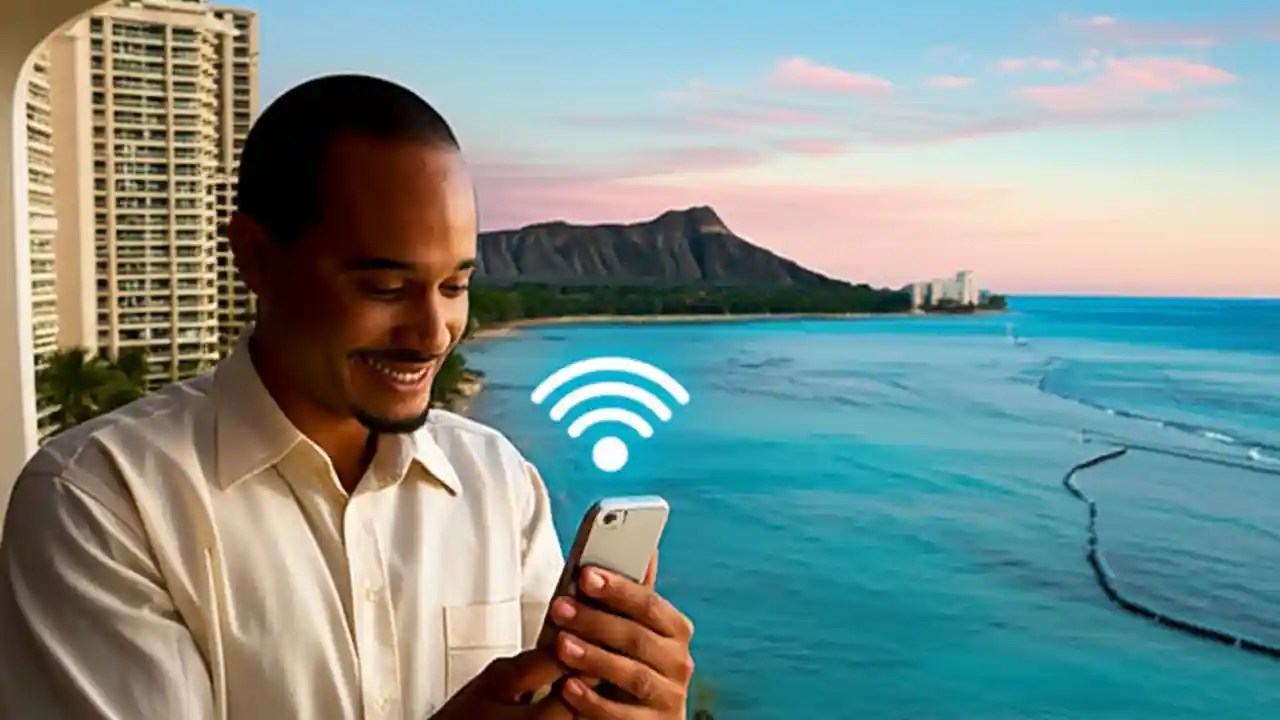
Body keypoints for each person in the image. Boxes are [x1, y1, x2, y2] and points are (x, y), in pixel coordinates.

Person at [0, 74, 695, 719]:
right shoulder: (100, 502)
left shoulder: (497, 481)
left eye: (455, 286)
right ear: (257, 259)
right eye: (385, 288)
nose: (433, 333)